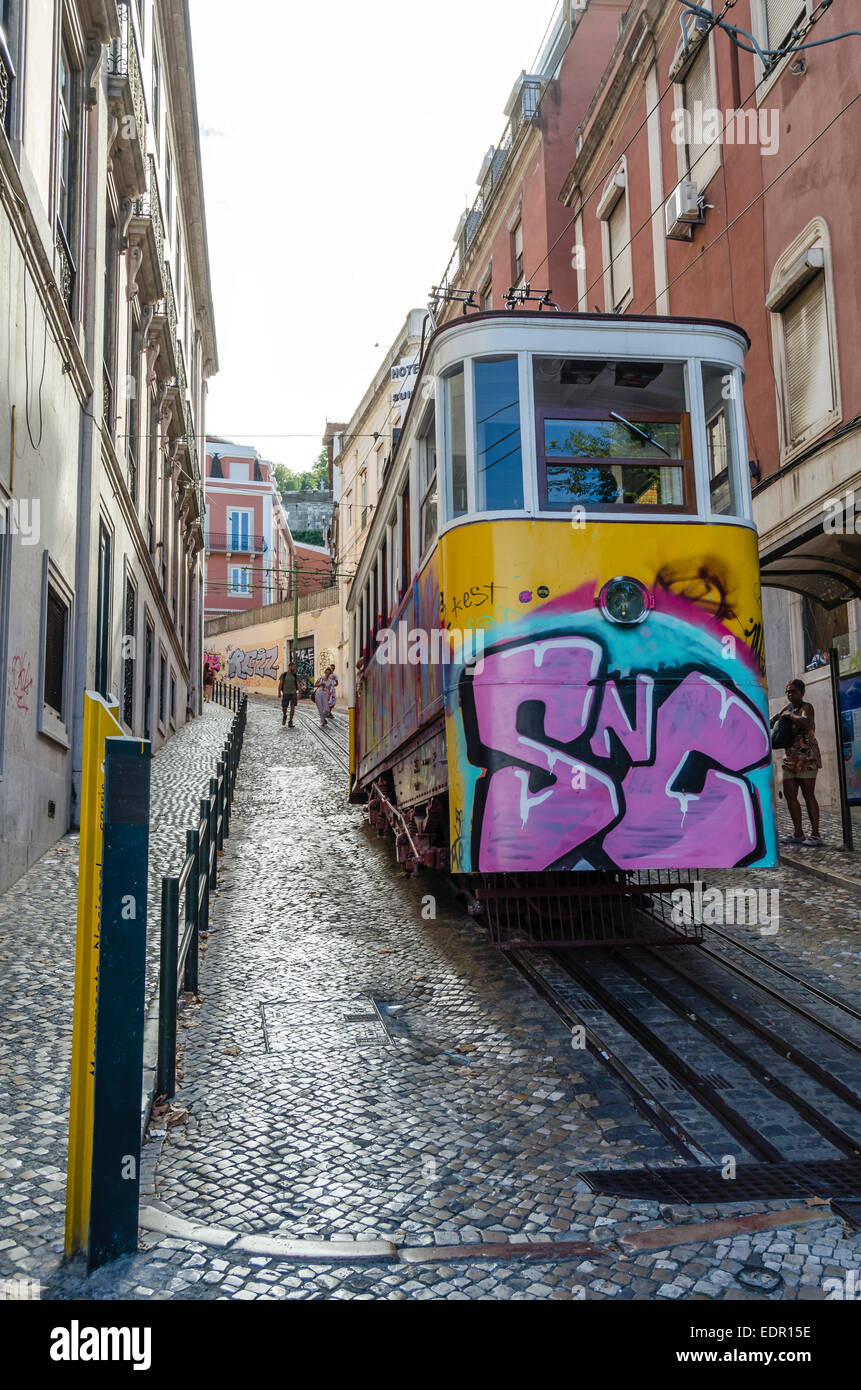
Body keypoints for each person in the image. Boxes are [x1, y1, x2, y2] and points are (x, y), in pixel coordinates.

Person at [770, 678, 822, 846]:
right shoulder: (788, 708)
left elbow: (806, 723)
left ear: (802, 693)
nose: (790, 695)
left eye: (794, 692)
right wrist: (775, 719)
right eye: (788, 692)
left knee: (808, 795)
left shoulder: (807, 708)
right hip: (790, 759)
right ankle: (798, 833)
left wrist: (790, 715)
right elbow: (774, 721)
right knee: (790, 795)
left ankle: (815, 834)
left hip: (806, 757)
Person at [278, 662, 299, 727]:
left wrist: (300, 692)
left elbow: (298, 683)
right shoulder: (284, 675)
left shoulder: (295, 675)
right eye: (293, 667)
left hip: (293, 693)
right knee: (284, 707)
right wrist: (279, 692)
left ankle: (290, 721)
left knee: (293, 707)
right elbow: (280, 684)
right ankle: (284, 715)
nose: (295, 668)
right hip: (286, 693)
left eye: (295, 667)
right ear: (289, 667)